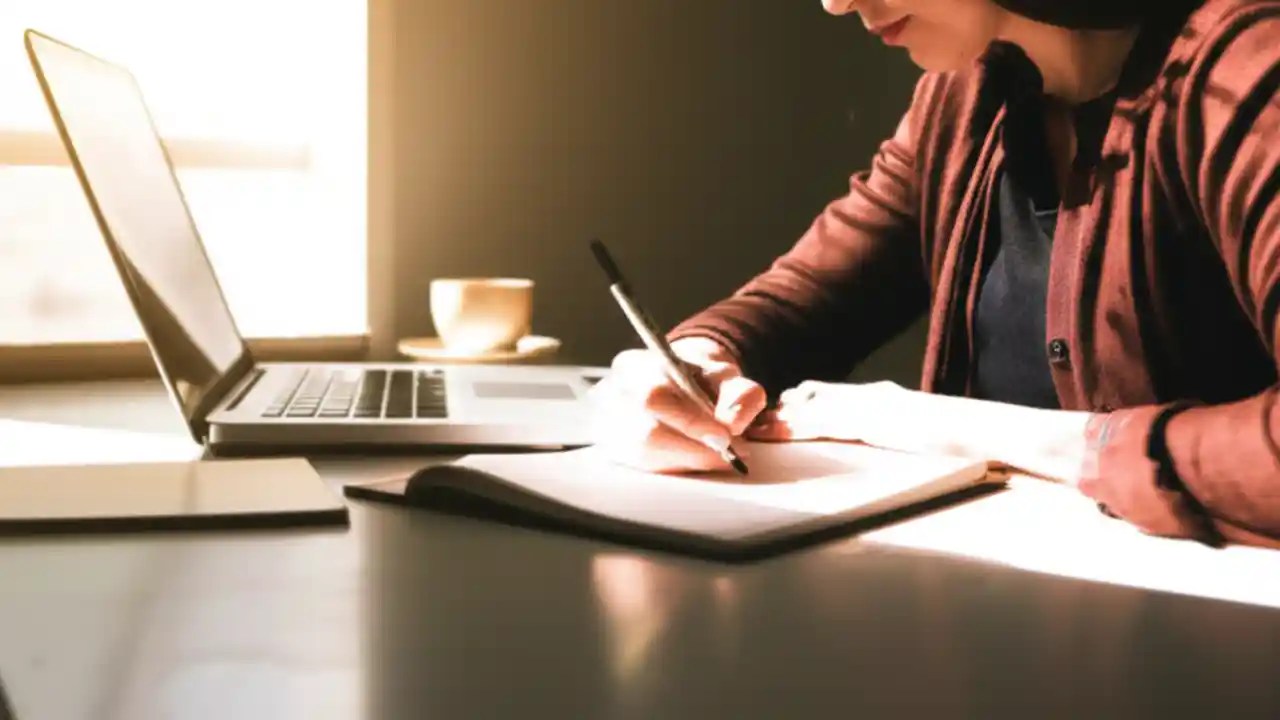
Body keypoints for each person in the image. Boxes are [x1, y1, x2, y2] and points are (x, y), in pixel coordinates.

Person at [590, 0, 1280, 548]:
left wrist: (959, 431)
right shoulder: (965, 99)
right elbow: (800, 303)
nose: (836, 3)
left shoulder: (1247, 68)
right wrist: (692, 363)